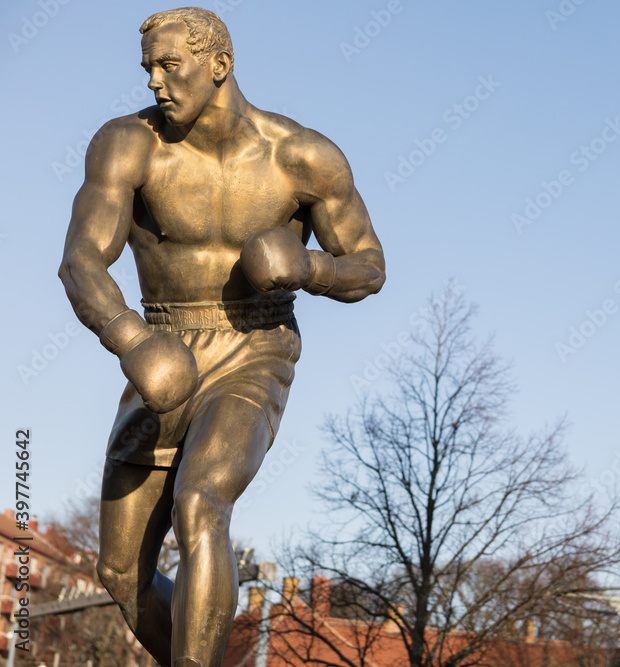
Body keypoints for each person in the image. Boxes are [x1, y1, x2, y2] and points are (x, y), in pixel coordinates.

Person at [58, 8, 385, 666]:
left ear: (219, 65)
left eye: (168, 66)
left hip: (254, 346)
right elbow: (82, 262)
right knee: (119, 574)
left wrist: (311, 266)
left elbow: (370, 265)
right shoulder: (128, 144)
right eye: (148, 67)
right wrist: (130, 338)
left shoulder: (302, 157)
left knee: (201, 500)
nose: (154, 81)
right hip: (162, 346)